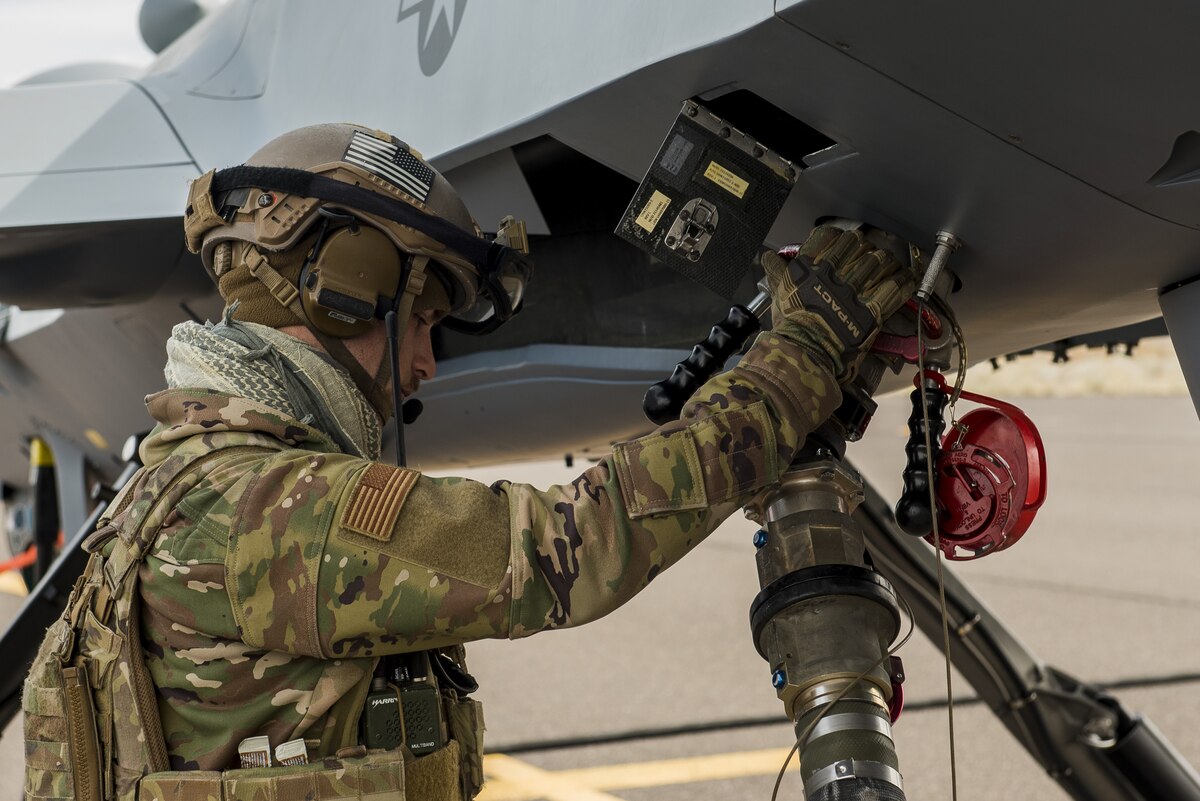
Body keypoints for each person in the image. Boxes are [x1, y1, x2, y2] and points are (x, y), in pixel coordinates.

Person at [23, 123, 917, 801]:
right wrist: (793, 363)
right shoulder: (258, 509)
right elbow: (566, 548)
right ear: (351, 284)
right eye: (421, 318)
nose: (422, 365)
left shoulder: (181, 484)